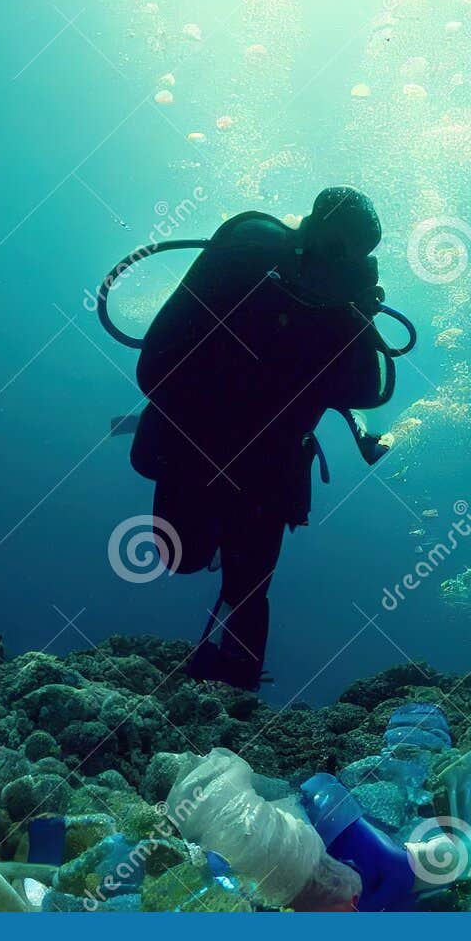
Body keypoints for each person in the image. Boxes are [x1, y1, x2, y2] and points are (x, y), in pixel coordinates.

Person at [129, 186, 396, 690]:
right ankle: (213, 548)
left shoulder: (345, 304)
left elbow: (365, 390)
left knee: (250, 586)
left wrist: (361, 316)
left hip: (273, 464)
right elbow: (155, 366)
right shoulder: (246, 256)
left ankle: (237, 691)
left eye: (353, 254)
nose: (336, 262)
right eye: (334, 245)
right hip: (196, 442)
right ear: (310, 228)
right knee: (180, 558)